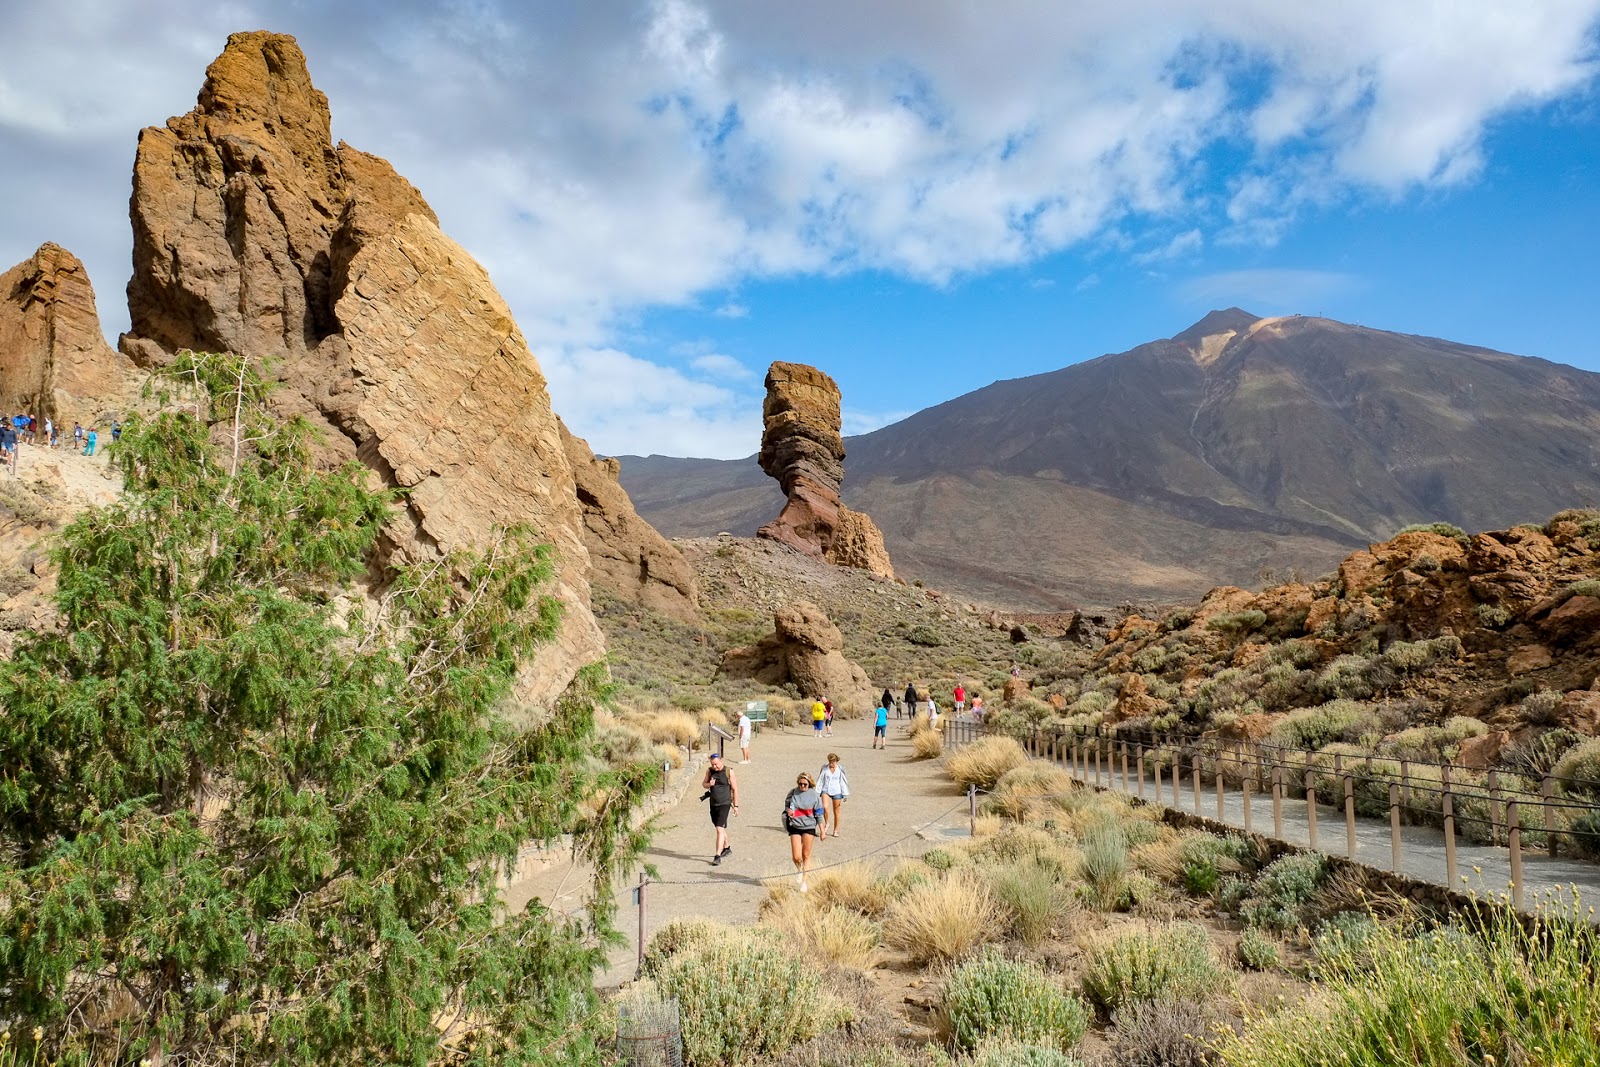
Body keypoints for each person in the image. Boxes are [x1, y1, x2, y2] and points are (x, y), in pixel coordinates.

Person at [782, 771, 822, 891]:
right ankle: (799, 869)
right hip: (795, 825)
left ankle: (804, 882)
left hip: (809, 826)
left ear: (809, 784)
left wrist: (822, 830)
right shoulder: (793, 792)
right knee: (796, 856)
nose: (802, 786)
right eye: (800, 784)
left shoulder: (814, 795)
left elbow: (819, 813)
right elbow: (787, 805)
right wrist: (788, 811)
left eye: (805, 784)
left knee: (806, 855)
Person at [701, 751, 739, 865]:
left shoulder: (729, 771)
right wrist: (709, 784)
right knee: (720, 828)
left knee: (719, 829)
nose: (715, 766)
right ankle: (727, 848)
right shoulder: (709, 771)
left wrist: (736, 806)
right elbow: (704, 784)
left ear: (721, 761)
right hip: (713, 804)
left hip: (725, 803)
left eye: (716, 764)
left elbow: (735, 789)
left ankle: (717, 856)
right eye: (712, 764)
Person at [817, 753, 850, 837]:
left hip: (837, 791)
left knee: (836, 811)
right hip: (826, 790)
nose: (831, 763)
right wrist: (817, 791)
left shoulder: (840, 769)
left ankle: (835, 830)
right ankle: (827, 823)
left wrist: (845, 793)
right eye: (830, 762)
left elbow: (843, 781)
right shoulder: (824, 768)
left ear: (836, 761)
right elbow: (820, 780)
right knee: (824, 807)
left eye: (833, 762)